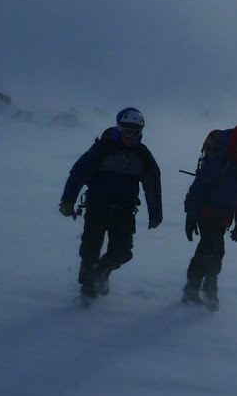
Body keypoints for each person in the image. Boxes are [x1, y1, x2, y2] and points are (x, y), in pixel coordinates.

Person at [59, 107, 163, 300]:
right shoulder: (102, 149)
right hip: (97, 207)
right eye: (126, 131)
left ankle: (102, 272)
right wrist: (68, 200)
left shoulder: (142, 155)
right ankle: (87, 288)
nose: (131, 136)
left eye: (135, 132)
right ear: (118, 128)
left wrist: (155, 214)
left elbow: (153, 184)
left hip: (124, 211)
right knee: (90, 250)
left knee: (122, 252)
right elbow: (78, 174)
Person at [182, 123, 237, 308]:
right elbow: (197, 190)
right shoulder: (219, 162)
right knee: (207, 250)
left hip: (225, 217)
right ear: (234, 146)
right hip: (206, 212)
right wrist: (191, 218)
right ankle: (193, 288)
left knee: (217, 251)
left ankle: (209, 284)